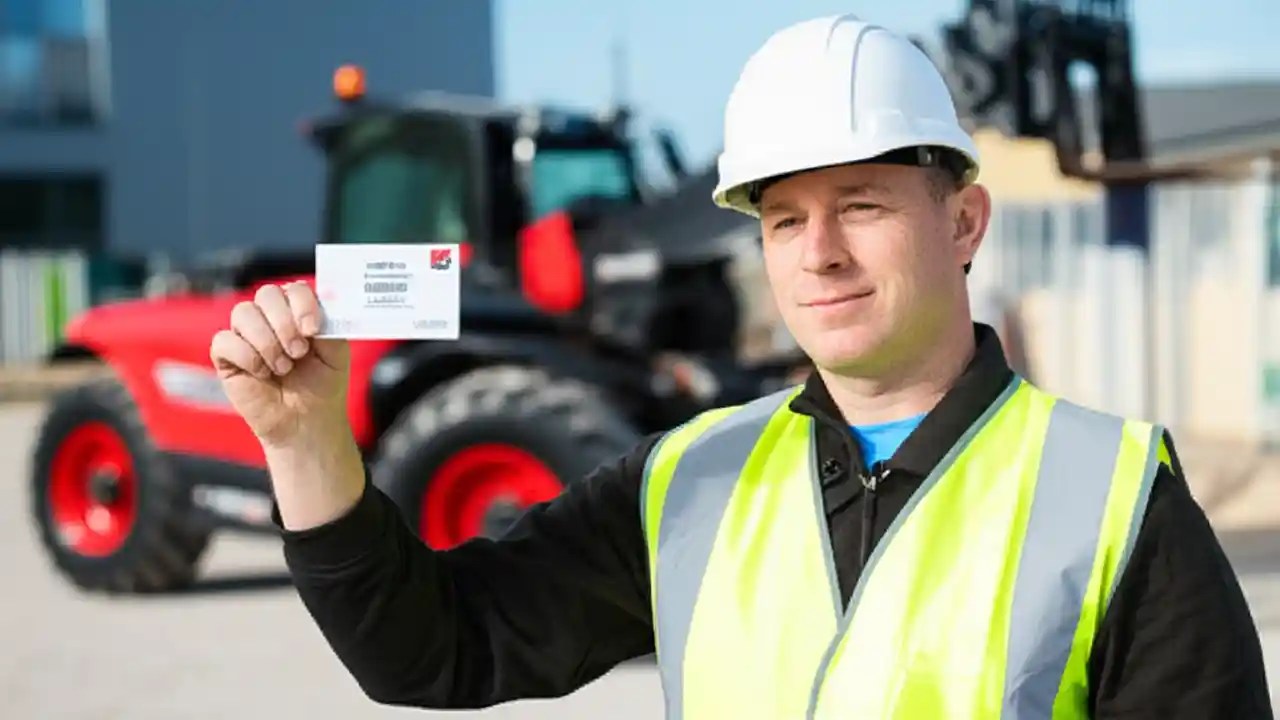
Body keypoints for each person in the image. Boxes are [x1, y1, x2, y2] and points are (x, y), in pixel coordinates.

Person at [209, 15, 1273, 719]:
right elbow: (430, 652)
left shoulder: (1114, 499)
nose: (818, 252)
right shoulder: (688, 483)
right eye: (783, 219)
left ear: (962, 222)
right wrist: (305, 444)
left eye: (859, 204)